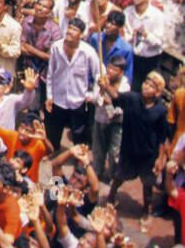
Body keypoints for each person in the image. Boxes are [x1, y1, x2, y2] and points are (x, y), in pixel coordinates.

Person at [108, 72, 169, 220]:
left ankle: (145, 209)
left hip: (148, 155)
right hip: (129, 150)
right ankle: (110, 198)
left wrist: (161, 158)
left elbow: (162, 137)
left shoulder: (160, 110)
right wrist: (106, 86)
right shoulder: (131, 98)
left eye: (151, 86)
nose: (146, 87)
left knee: (147, 184)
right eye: (146, 83)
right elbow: (115, 97)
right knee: (119, 177)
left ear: (157, 92)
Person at [45, 20, 100, 149]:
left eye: (75, 30)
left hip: (78, 99)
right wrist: (49, 96)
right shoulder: (56, 47)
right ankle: (54, 151)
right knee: (54, 129)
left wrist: (93, 96)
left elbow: (98, 75)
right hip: (58, 98)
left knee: (78, 131)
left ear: (81, 35)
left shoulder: (88, 52)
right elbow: (50, 73)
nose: (70, 31)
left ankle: (79, 157)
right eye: (69, 28)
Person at [124, 0, 166, 87]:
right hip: (133, 57)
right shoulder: (128, 12)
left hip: (150, 60)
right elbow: (125, 35)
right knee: (130, 85)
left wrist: (146, 36)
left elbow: (159, 43)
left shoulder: (157, 16)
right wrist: (132, 37)